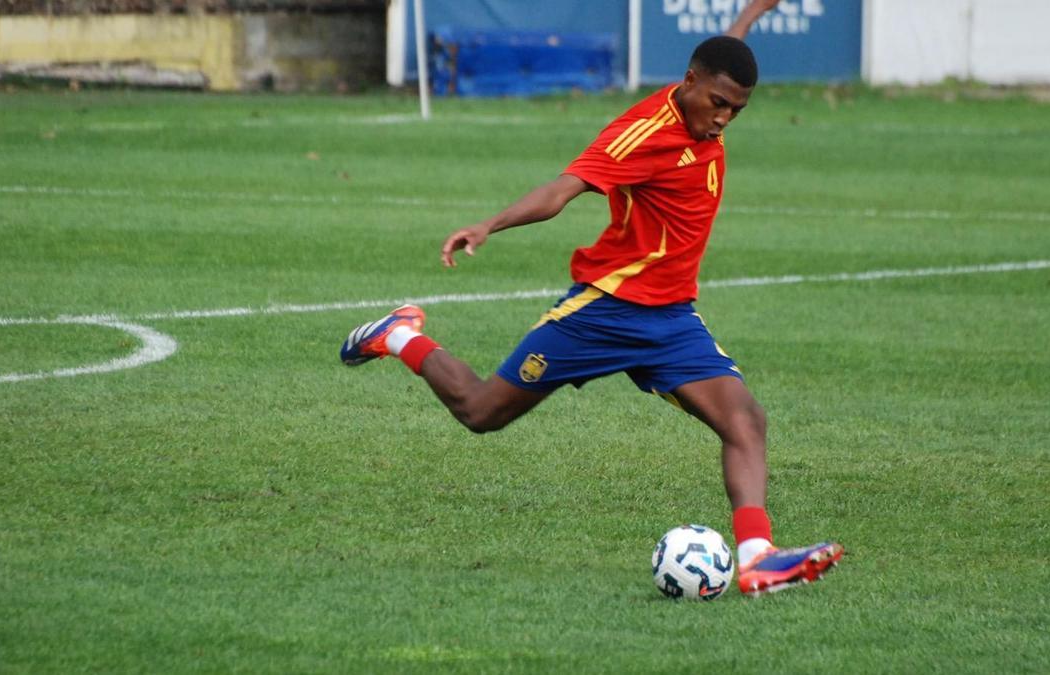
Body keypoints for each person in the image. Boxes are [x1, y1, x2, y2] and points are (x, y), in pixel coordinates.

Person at [340, 0, 842, 596]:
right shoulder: (639, 136)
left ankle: (758, 557)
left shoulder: (708, 90)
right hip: (604, 310)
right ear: (689, 83)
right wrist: (489, 225)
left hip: (671, 318)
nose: (727, 117)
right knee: (480, 412)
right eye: (719, 104)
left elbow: (727, 47)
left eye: (738, 108)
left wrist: (753, 11)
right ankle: (399, 333)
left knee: (745, 420)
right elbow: (562, 191)